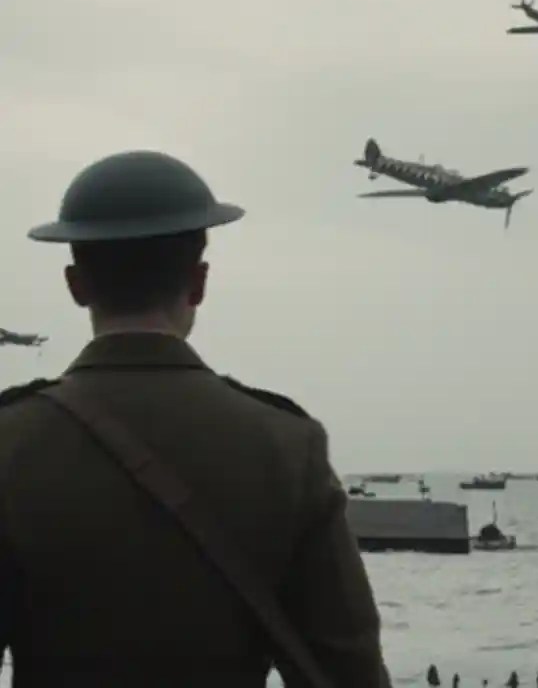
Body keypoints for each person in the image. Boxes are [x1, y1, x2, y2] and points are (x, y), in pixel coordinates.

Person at [0, 151, 389, 686]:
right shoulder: (286, 444)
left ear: (76, 285)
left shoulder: (11, 441)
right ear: (199, 283)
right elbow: (349, 671)